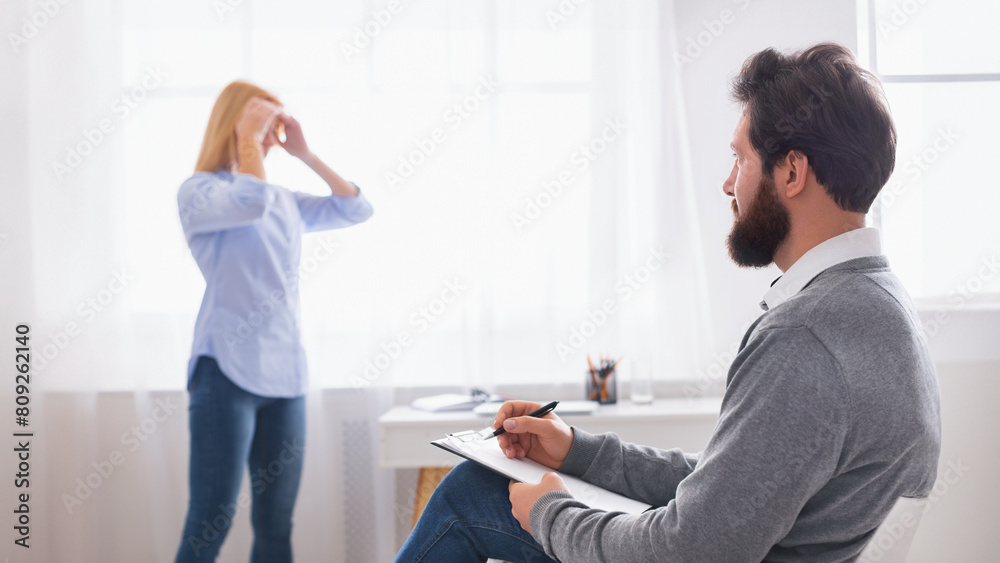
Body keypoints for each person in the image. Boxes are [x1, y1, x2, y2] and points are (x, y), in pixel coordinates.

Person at [396, 42, 941, 562]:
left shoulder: (806, 338)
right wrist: (577, 452)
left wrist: (550, 513)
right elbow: (732, 487)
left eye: (740, 160)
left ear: (792, 172)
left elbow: (690, 552)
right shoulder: (879, 306)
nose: (729, 185)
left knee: (474, 492)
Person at [174, 80, 373, 562]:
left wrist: (304, 153)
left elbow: (355, 208)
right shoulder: (201, 192)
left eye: (273, 127)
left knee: (276, 524)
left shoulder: (282, 198)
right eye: (262, 125)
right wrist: (246, 140)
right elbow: (250, 203)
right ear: (234, 124)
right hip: (225, 371)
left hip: (285, 377)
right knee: (210, 519)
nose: (269, 136)